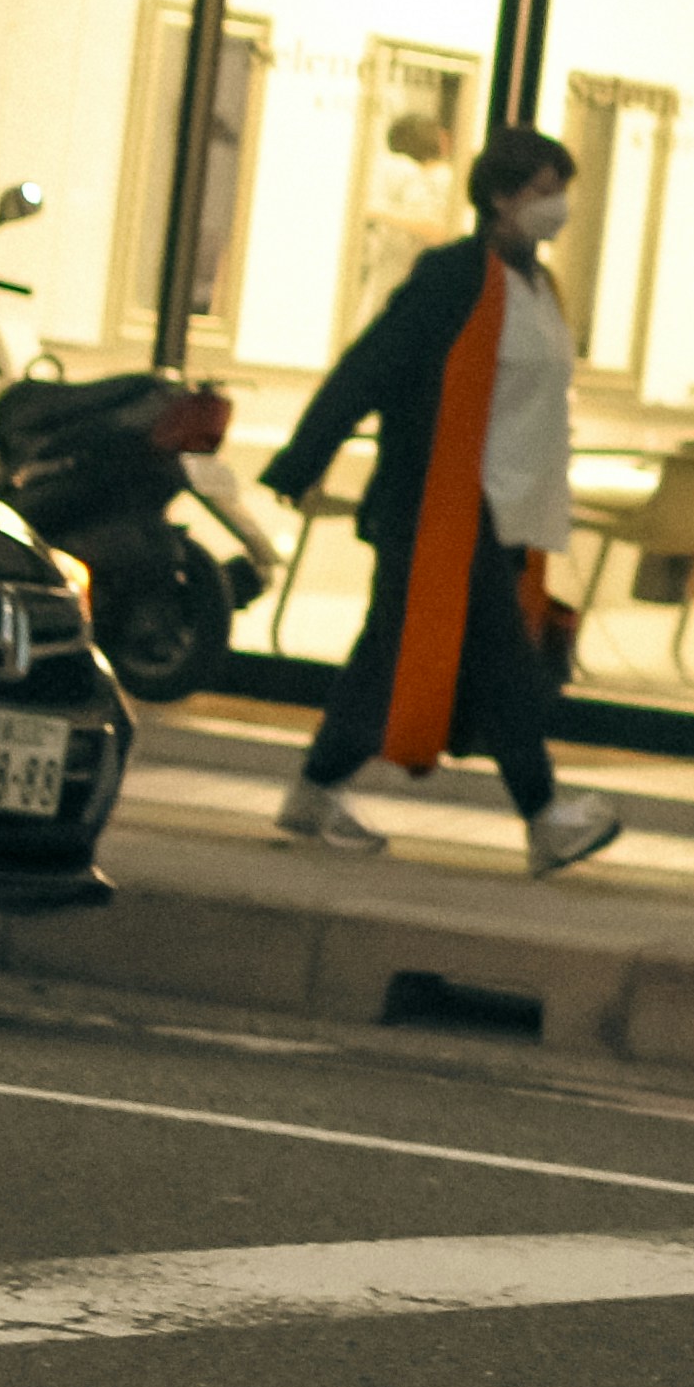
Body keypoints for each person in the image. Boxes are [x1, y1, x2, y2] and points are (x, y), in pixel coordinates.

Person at [262, 126, 620, 875]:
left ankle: (311, 791)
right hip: (440, 506)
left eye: (563, 191)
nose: (559, 207)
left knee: (389, 654)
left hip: (500, 508)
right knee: (503, 661)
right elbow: (373, 365)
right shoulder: (453, 277)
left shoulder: (538, 288)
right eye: (543, 191)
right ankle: (545, 816)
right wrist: (303, 458)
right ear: (499, 197)